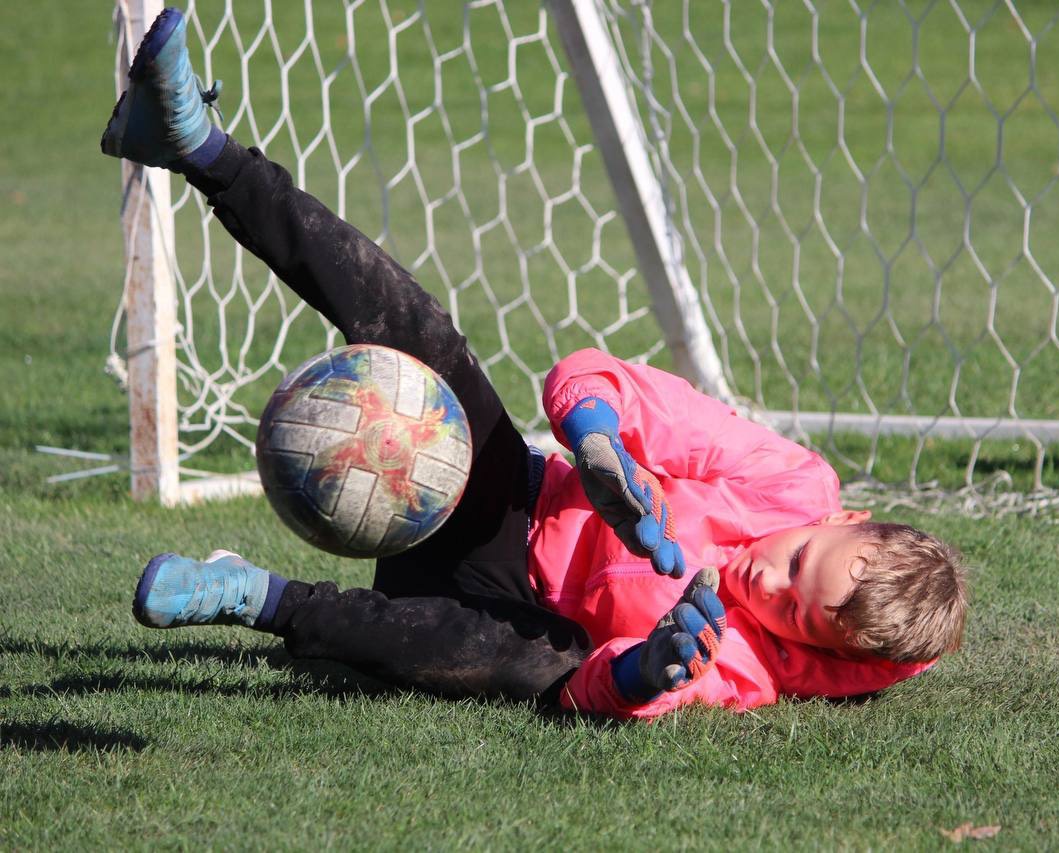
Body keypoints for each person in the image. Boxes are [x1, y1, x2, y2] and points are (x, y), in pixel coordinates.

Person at [104, 9, 967, 718]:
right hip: (502, 496)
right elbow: (616, 385)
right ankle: (198, 146)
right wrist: (599, 443)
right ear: (841, 517)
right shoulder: (789, 481)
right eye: (795, 557)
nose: (762, 578)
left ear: (810, 642)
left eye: (788, 605)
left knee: (526, 666)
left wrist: (646, 673)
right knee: (419, 327)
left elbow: (598, 687)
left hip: (515, 613)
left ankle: (252, 596)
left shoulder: (750, 665)